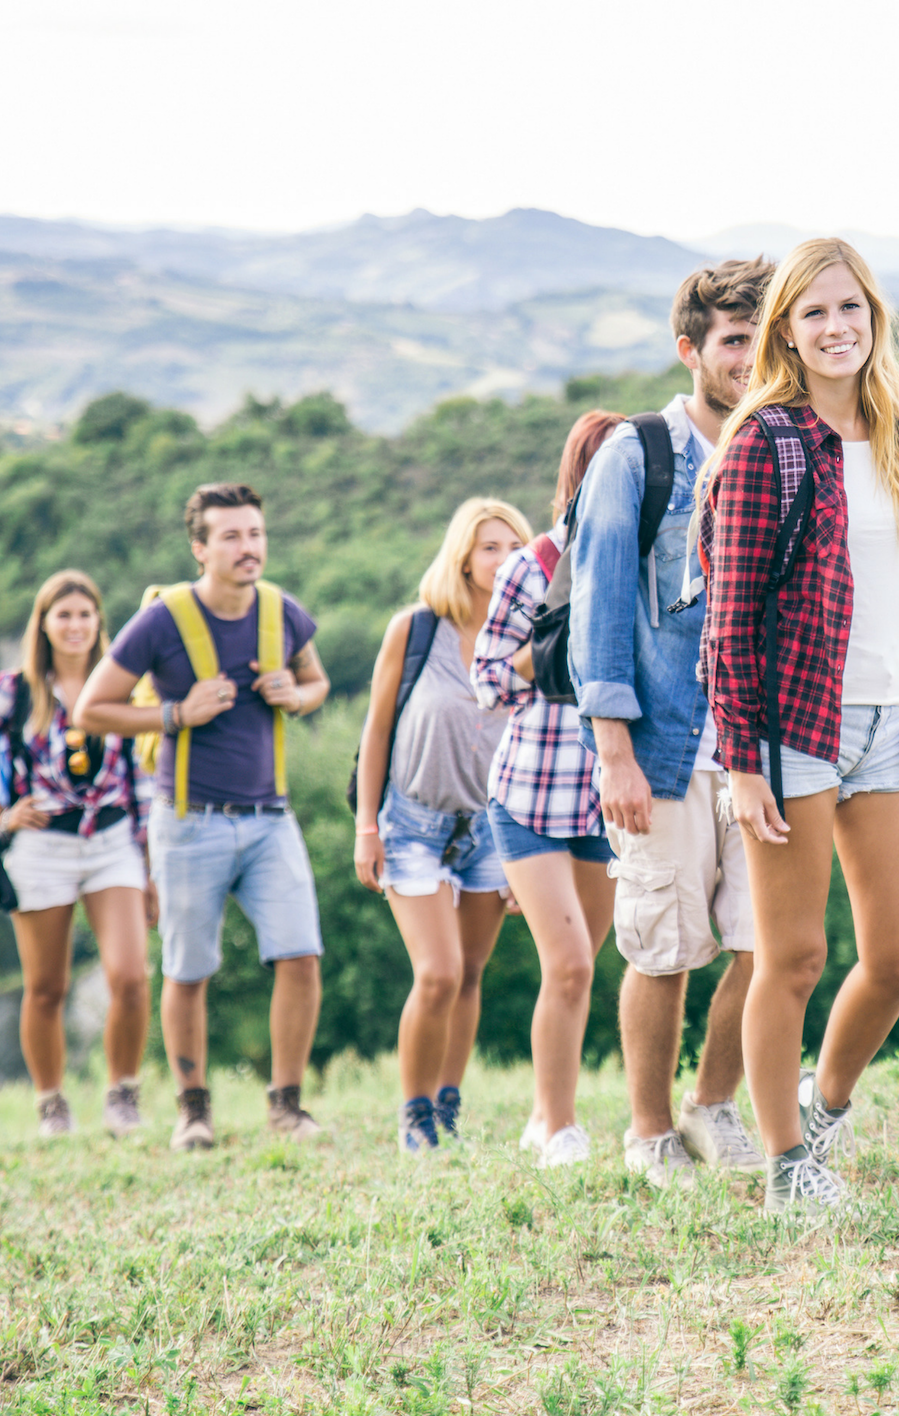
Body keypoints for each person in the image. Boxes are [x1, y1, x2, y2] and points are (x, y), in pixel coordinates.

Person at [696, 239, 899, 1216]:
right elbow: (729, 616)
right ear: (785, 335)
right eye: (814, 315)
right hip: (793, 722)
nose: (837, 328)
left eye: (850, 308)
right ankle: (787, 1168)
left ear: (873, 316)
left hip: (884, 720)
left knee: (898, 956)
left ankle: (824, 1107)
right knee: (791, 956)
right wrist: (743, 761)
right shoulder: (764, 443)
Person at [570, 259, 774, 1184]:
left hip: (763, 744)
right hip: (659, 743)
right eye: (732, 340)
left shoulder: (784, 443)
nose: (747, 358)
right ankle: (649, 1132)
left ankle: (713, 1104)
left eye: (758, 339)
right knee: (661, 946)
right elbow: (599, 602)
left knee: (768, 939)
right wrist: (612, 749)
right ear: (690, 349)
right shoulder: (640, 454)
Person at [75, 482, 331, 1152]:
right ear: (199, 548)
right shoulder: (162, 620)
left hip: (272, 818)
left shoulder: (281, 610)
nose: (249, 548)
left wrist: (295, 696)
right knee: (188, 971)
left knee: (301, 956)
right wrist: (175, 714)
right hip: (189, 822)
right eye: (231, 537)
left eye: (255, 534)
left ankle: (286, 1105)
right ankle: (193, 1111)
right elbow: (92, 710)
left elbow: (318, 682)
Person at [0, 571, 154, 1138]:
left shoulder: (122, 683)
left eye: (86, 615)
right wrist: (0, 814)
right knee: (46, 986)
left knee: (130, 976)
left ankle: (122, 1094)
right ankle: (51, 1103)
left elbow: (143, 779)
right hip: (41, 845)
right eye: (64, 615)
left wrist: (151, 863)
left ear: (99, 622)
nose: (76, 625)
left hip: (112, 841)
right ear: (44, 624)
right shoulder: (16, 689)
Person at [353, 496, 532, 1155]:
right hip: (411, 824)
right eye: (491, 546)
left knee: (470, 973)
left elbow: (540, 738)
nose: (505, 556)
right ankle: (414, 1112)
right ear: (462, 557)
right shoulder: (416, 629)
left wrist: (528, 850)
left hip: (493, 827)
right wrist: (364, 828)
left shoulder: (530, 636)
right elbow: (376, 731)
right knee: (436, 973)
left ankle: (448, 1106)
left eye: (516, 545)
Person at [472, 414, 621, 1167]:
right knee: (565, 964)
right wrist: (550, 649)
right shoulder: (529, 567)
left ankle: (542, 1111)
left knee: (581, 967)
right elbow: (488, 681)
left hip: (607, 793)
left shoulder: (649, 557)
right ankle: (557, 1127)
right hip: (529, 794)